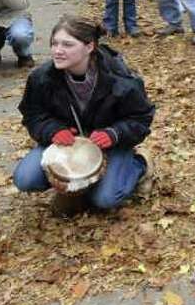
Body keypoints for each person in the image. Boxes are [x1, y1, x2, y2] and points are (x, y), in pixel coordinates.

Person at [13, 15, 155, 215]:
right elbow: (32, 113)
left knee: (105, 199)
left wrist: (114, 134)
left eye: (67, 45)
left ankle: (140, 166)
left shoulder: (120, 79)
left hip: (111, 144)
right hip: (68, 144)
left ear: (89, 47)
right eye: (54, 43)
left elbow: (141, 118)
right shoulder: (42, 78)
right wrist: (52, 130)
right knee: (25, 179)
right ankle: (76, 187)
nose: (58, 51)